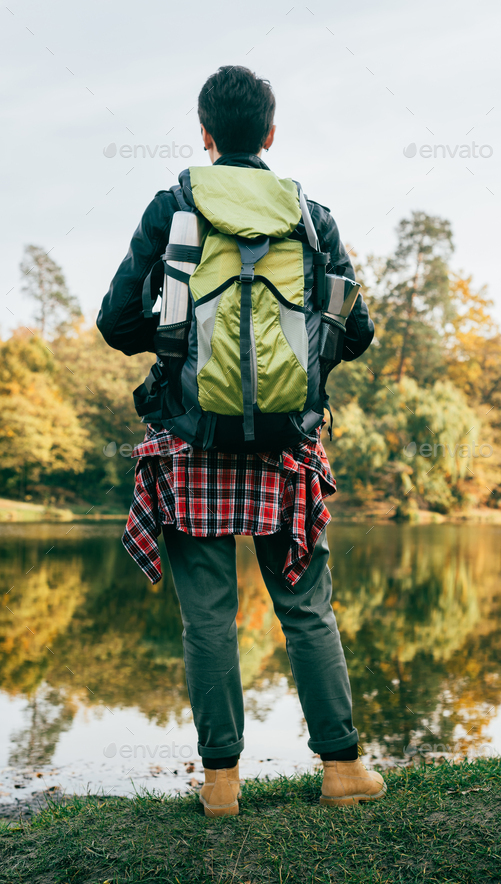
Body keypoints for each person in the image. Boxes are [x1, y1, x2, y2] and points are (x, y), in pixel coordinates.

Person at [97, 65, 385, 817]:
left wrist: (180, 349)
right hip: (287, 449)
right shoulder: (311, 216)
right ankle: (342, 769)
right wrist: (298, 368)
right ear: (269, 135)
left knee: (209, 617)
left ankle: (222, 783)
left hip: (190, 445)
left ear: (204, 134)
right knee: (307, 610)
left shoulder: (175, 207)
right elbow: (355, 329)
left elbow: (115, 322)